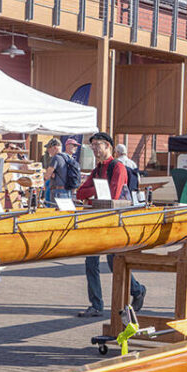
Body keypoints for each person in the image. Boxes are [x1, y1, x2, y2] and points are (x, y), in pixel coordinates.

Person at [76, 132, 147, 317]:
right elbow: (80, 193)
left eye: (97, 145)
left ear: (109, 146)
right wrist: (99, 189)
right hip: (97, 221)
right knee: (91, 262)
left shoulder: (118, 167)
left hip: (114, 223)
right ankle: (96, 305)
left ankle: (137, 290)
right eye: (92, 146)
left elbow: (113, 196)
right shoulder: (97, 169)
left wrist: (97, 192)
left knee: (114, 262)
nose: (94, 149)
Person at [43, 137, 70, 204]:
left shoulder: (56, 158)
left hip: (58, 191)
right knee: (65, 213)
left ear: (55, 148)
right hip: (67, 191)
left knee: (56, 212)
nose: (48, 150)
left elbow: (47, 176)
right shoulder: (67, 157)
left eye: (49, 148)